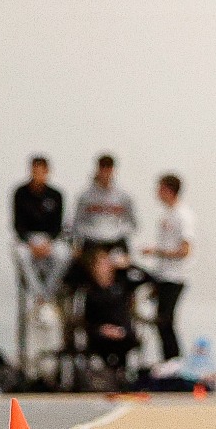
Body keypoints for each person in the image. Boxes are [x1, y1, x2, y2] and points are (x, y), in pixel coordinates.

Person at [139, 173, 194, 363]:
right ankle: (168, 360)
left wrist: (157, 251)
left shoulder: (182, 215)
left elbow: (185, 250)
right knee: (161, 321)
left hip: (175, 276)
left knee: (166, 320)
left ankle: (174, 361)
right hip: (162, 275)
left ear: (168, 190)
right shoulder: (167, 214)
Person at [11, 155, 68, 305]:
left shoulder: (56, 195)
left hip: (49, 239)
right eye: (35, 171)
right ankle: (38, 294)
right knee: (22, 255)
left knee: (63, 255)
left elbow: (58, 225)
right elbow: (18, 224)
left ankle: (47, 293)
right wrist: (30, 243)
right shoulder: (20, 193)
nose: (38, 175)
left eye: (41, 172)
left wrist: (48, 243)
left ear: (47, 172)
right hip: (29, 239)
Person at [80, 247, 138, 379]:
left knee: (125, 340)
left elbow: (146, 278)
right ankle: (106, 376)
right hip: (101, 331)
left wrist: (129, 265)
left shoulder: (122, 284)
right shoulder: (90, 291)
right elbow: (88, 319)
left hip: (123, 330)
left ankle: (121, 375)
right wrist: (102, 329)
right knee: (101, 342)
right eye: (102, 263)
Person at [74, 153, 136, 255]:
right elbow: (78, 221)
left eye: (108, 169)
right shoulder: (85, 196)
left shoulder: (123, 197)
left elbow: (132, 222)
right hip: (92, 241)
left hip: (116, 241)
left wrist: (119, 231)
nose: (105, 173)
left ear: (113, 170)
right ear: (98, 170)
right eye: (103, 169)